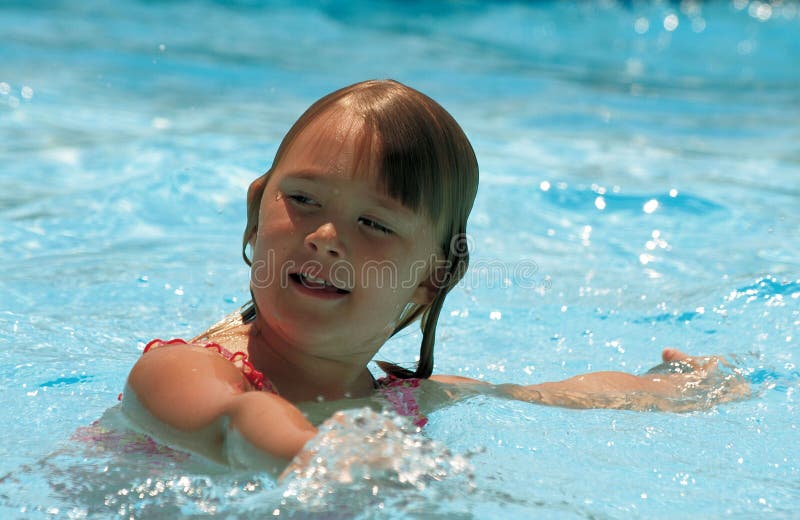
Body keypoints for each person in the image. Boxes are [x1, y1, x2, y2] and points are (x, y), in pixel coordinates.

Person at [122, 79, 748, 471]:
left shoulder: (400, 400)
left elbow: (545, 394)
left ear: (432, 277)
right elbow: (235, 425)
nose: (326, 236)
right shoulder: (182, 370)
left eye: (375, 223)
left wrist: (681, 387)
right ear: (258, 210)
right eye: (304, 199)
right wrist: (321, 453)